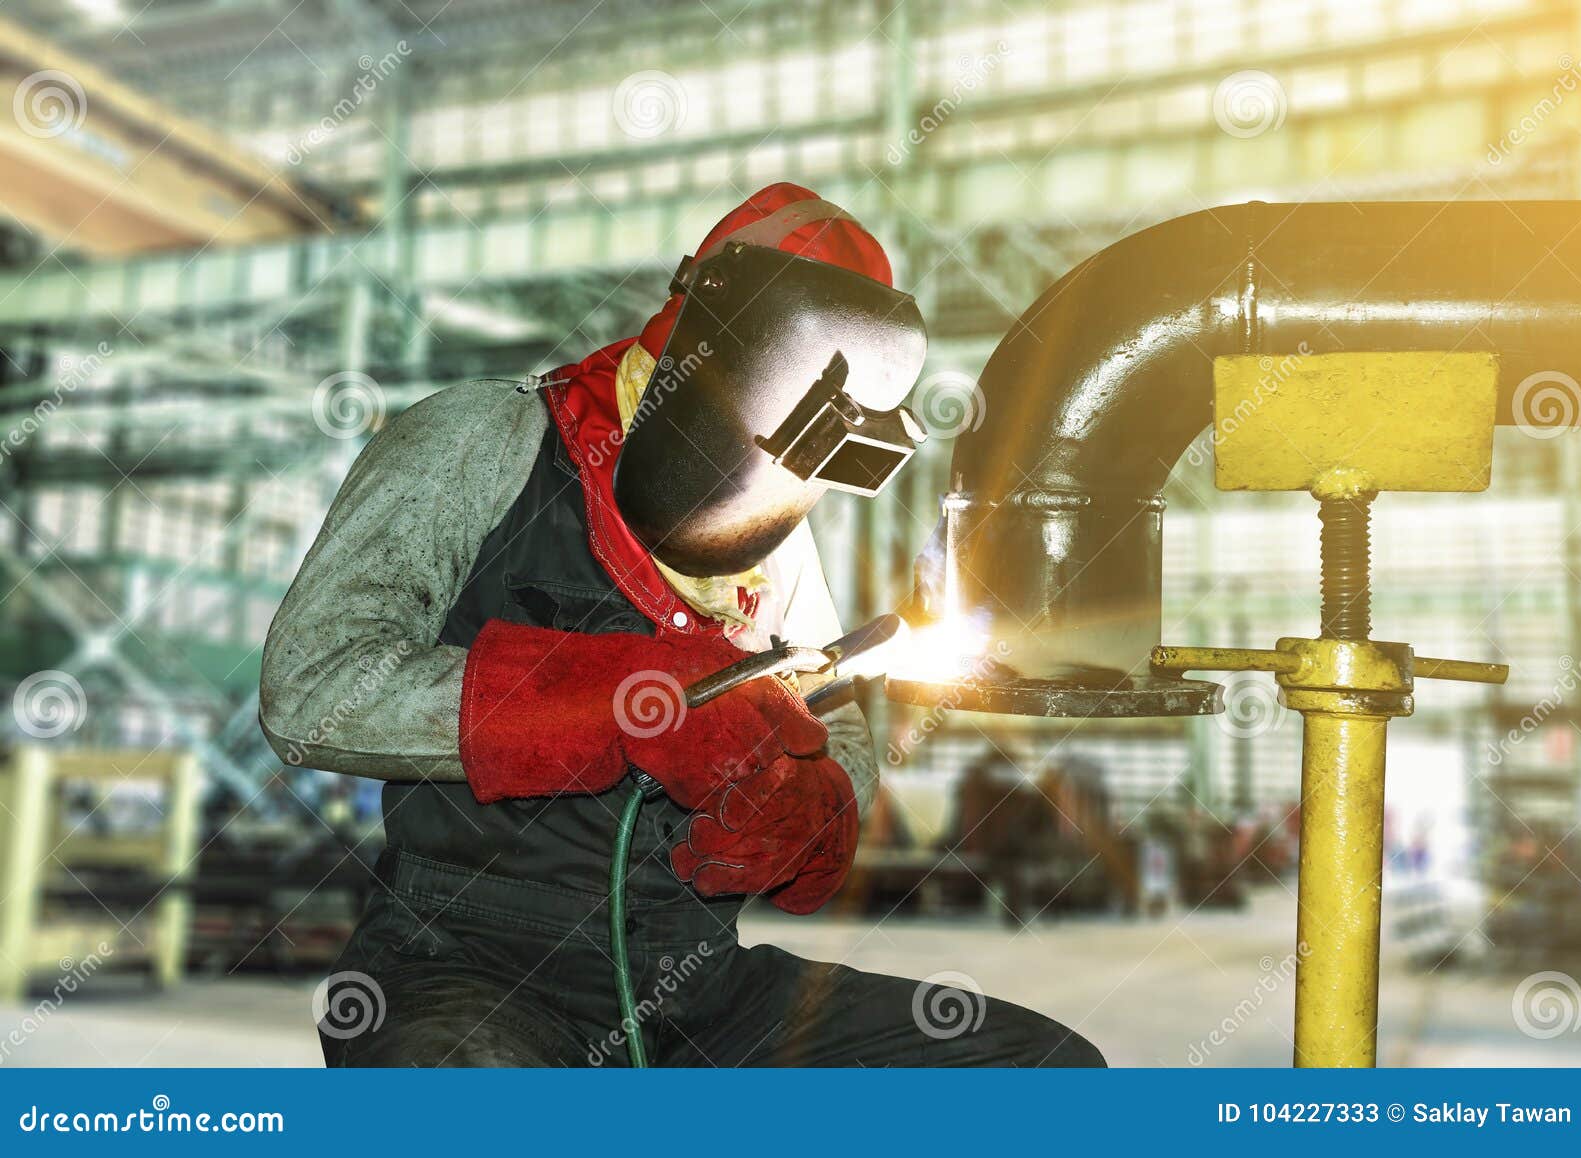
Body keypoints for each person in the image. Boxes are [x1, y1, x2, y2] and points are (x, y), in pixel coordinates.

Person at [260, 182, 1104, 1068]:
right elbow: (311, 684)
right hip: (467, 967)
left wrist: (815, 804)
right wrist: (621, 701)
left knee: (1043, 1074)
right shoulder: (483, 438)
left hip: (698, 988)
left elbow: (834, 714)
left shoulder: (771, 532)